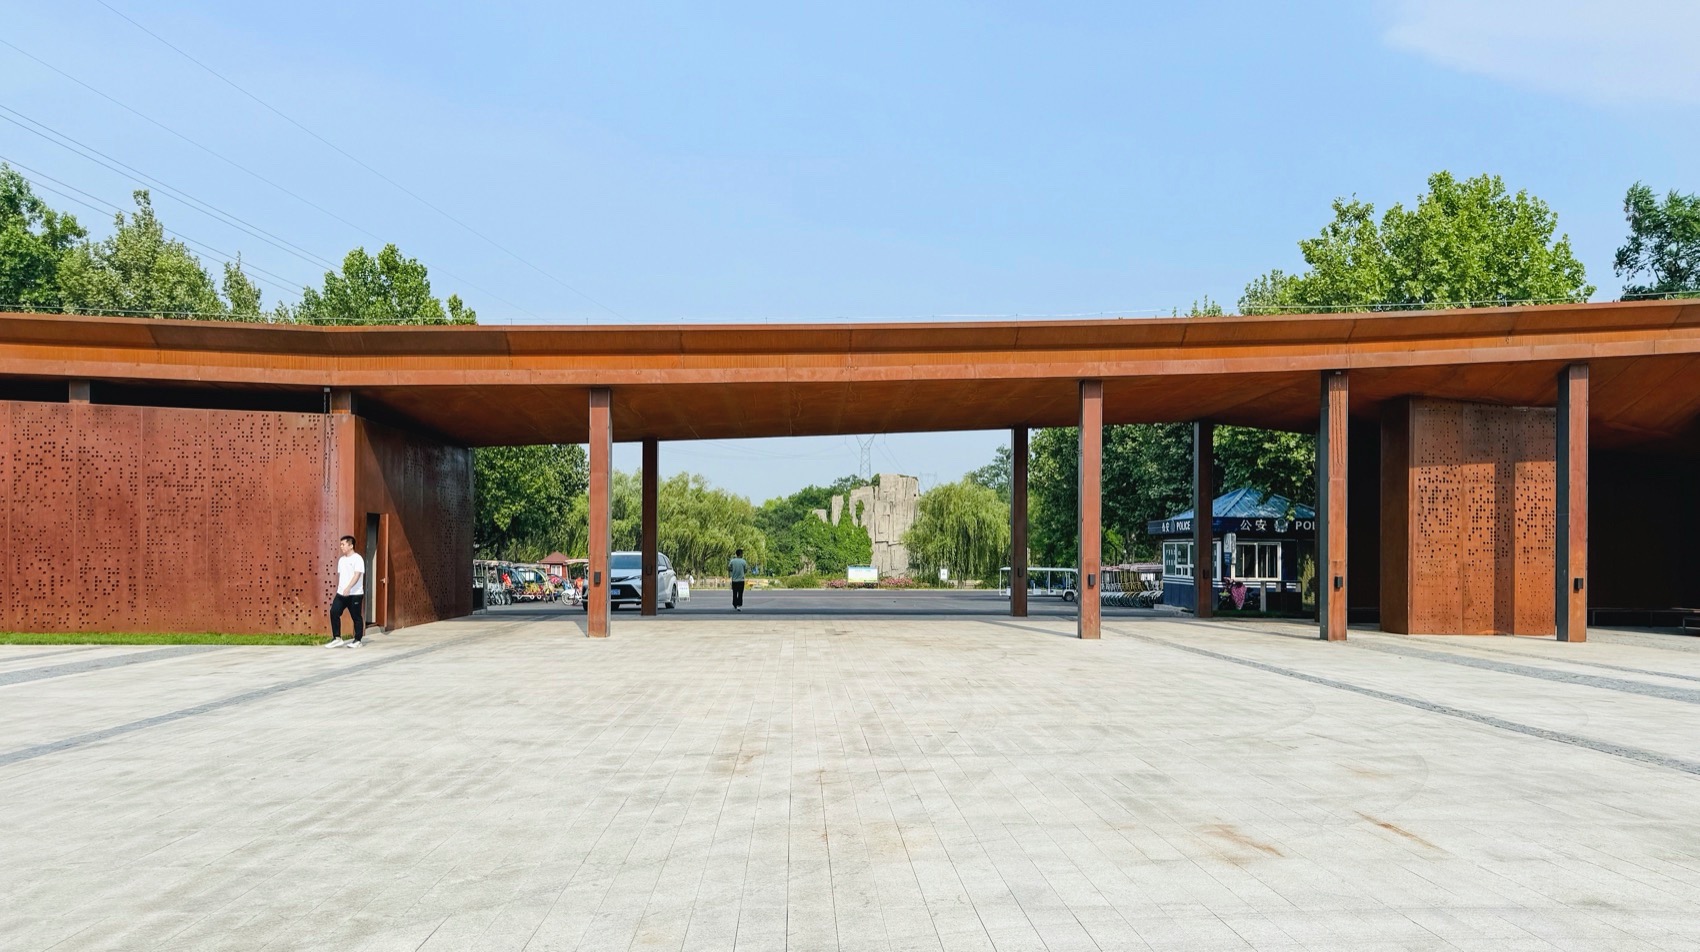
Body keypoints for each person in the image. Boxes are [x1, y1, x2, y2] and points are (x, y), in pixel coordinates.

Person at [326, 535, 366, 648]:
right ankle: (337, 638)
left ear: (351, 545)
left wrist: (348, 587)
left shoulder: (358, 559)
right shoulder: (341, 560)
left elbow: (357, 575)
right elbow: (342, 576)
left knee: (356, 617)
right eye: (341, 544)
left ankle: (358, 640)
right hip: (341, 593)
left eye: (343, 544)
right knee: (334, 612)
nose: (341, 547)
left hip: (355, 594)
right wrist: (342, 589)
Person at [728, 548, 748, 612]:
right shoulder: (743, 561)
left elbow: (729, 567)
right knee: (740, 593)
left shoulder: (732, 561)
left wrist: (732, 571)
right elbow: (746, 570)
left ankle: (734, 604)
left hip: (734, 580)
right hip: (741, 580)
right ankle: (739, 605)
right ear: (741, 554)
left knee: (734, 593)